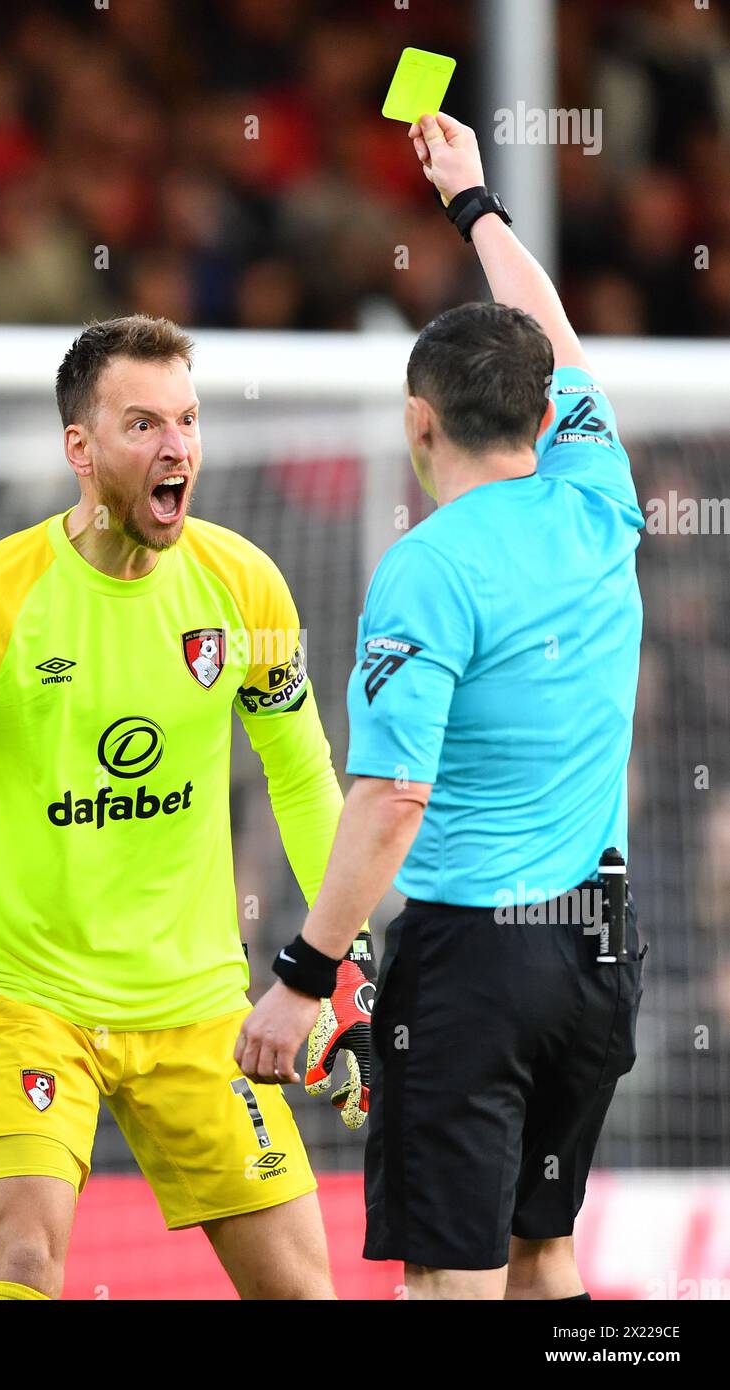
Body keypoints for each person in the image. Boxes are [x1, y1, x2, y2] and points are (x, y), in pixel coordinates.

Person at [0, 314, 376, 1301]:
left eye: (188, 420)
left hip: (197, 1005)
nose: (176, 447)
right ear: (79, 450)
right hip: (28, 1000)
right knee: (23, 1257)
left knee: (302, 1288)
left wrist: (344, 958)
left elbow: (304, 778)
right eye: (143, 425)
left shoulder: (241, 584)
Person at [237, 112, 646, 1301]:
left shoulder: (425, 565)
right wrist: (472, 202)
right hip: (601, 946)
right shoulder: (597, 489)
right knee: (543, 1250)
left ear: (419, 425)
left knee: (449, 1274)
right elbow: (557, 338)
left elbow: (391, 795)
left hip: (477, 959)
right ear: (543, 411)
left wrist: (305, 972)